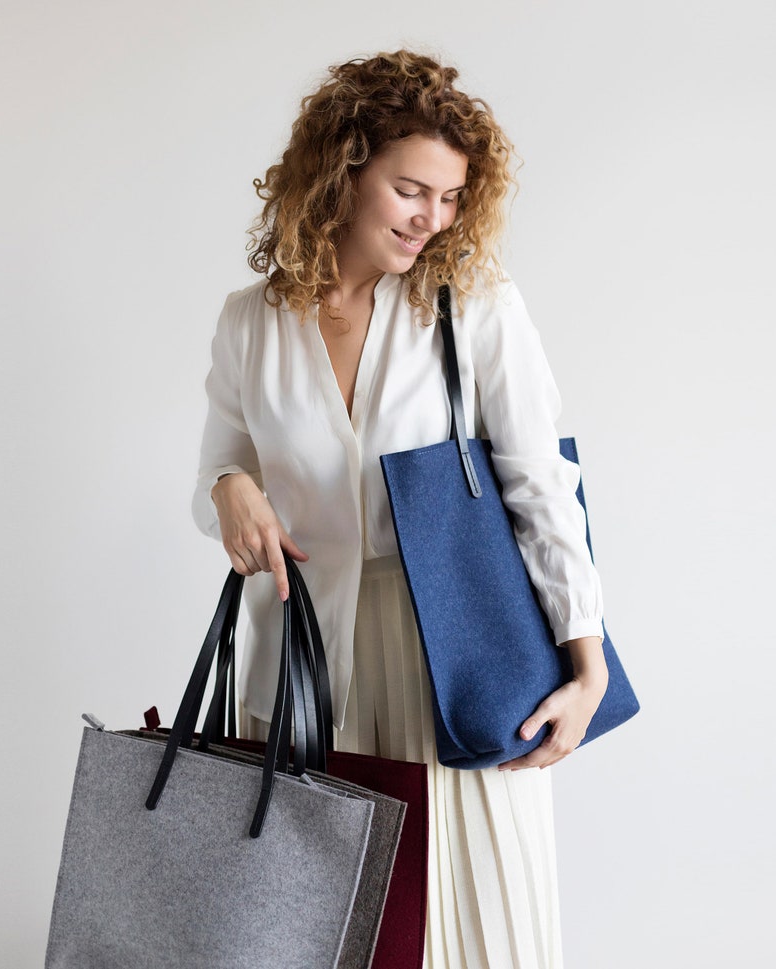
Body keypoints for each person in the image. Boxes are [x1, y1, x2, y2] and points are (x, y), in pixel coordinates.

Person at [192, 50, 608, 969]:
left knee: (473, 926)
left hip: (452, 656)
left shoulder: (475, 306)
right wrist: (229, 490)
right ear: (341, 173)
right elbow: (219, 467)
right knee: (314, 936)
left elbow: (541, 485)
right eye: (410, 189)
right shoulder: (250, 321)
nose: (433, 218)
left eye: (451, 197)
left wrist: (588, 664)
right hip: (302, 661)